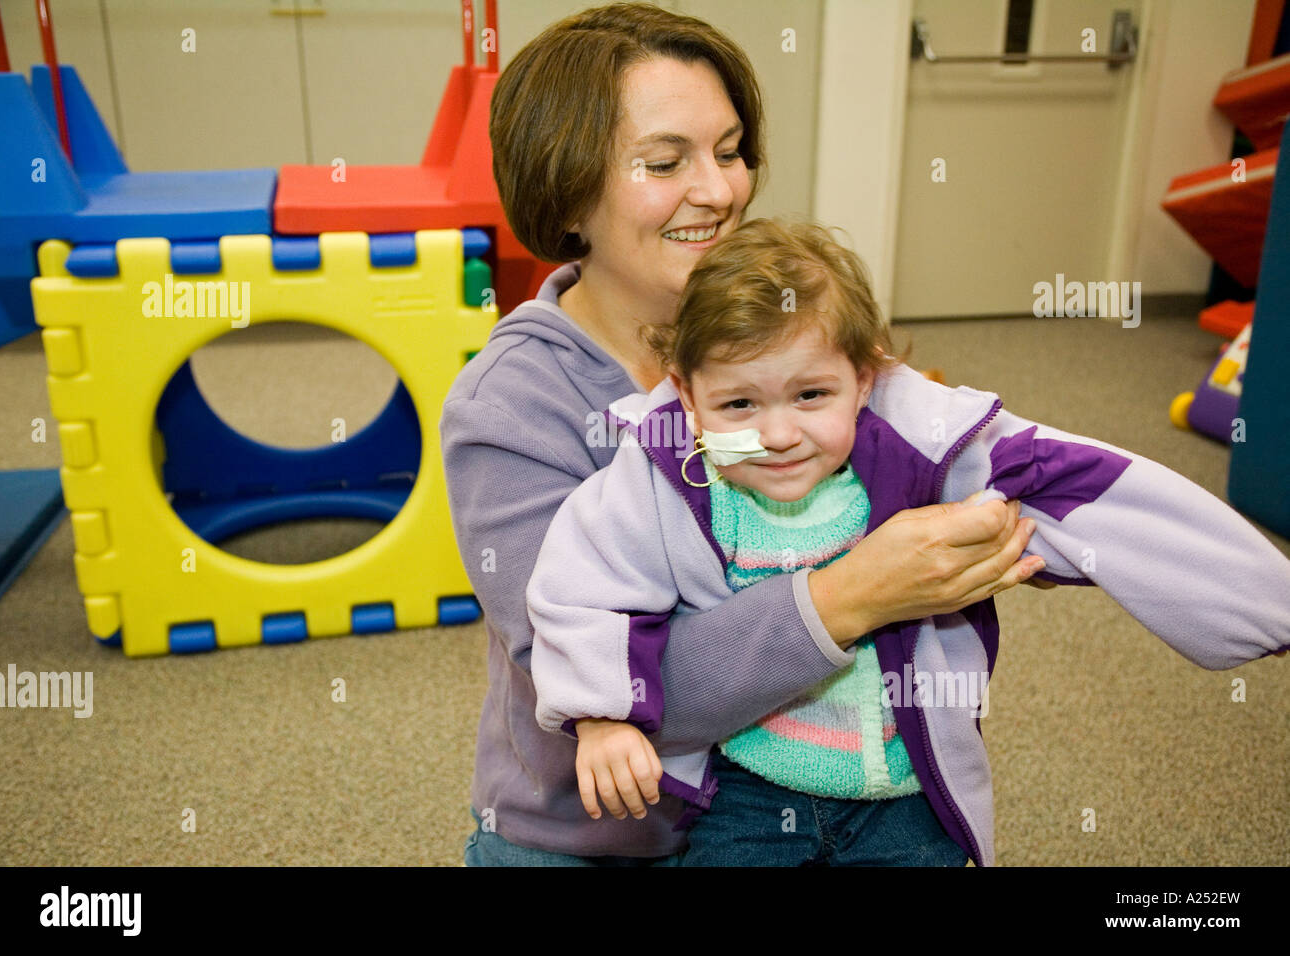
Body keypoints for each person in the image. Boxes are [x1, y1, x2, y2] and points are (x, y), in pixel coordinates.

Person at [441, 3, 1044, 867]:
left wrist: (996, 536)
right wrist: (854, 595)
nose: (721, 190)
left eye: (729, 152)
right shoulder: (509, 409)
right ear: (568, 191)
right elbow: (600, 681)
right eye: (665, 162)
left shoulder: (780, 332)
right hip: (597, 840)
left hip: (804, 811)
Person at [526, 216, 1290, 867]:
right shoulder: (673, 477)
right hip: (752, 794)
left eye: (812, 394)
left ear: (865, 378)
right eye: (738, 403)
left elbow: (1090, 493)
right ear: (688, 398)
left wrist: (1267, 603)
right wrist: (600, 714)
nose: (779, 434)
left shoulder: (920, 458)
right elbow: (582, 585)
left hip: (906, 792)